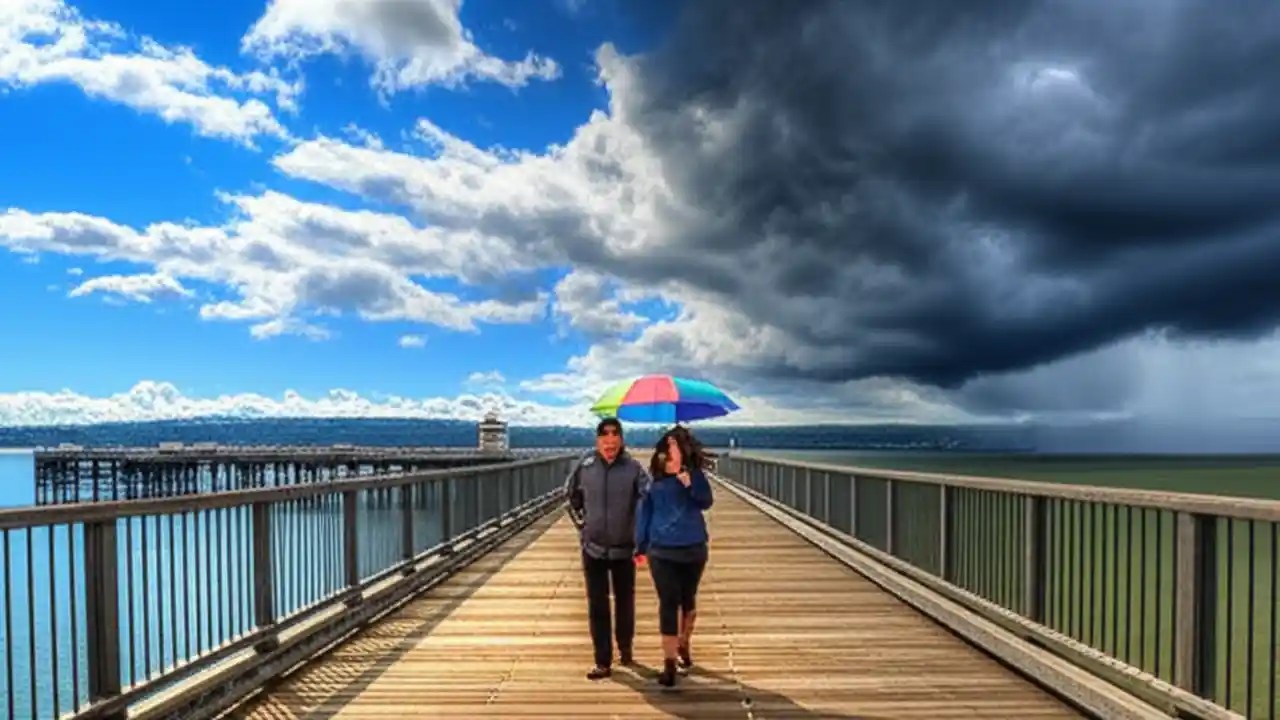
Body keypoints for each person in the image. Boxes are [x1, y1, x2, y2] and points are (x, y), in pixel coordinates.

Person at [564, 417, 650, 680]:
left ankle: (625, 649)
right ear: (597, 440)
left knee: (625, 602)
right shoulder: (585, 466)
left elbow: (649, 499)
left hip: (625, 548)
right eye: (604, 435)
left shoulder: (634, 468)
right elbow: (570, 498)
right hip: (593, 548)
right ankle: (602, 660)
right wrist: (583, 526)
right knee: (597, 605)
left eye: (615, 434)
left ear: (621, 439)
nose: (610, 440)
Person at [634, 425, 714, 687]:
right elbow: (644, 513)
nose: (669, 452)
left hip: (693, 547)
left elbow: (705, 502)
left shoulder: (694, 476)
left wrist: (691, 482)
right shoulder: (654, 481)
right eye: (666, 446)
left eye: (674, 446)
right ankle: (669, 663)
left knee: (687, 600)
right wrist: (640, 546)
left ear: (683, 450)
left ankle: (684, 642)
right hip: (662, 549)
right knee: (668, 602)